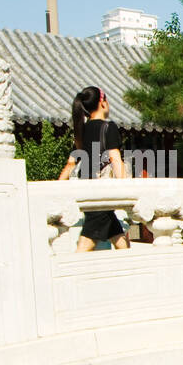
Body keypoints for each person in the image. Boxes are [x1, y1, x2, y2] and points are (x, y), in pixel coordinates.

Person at [57, 86, 129, 251]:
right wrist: (125, 186)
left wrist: (57, 187)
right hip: (101, 189)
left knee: (117, 235)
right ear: (103, 103)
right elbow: (115, 159)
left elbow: (71, 163)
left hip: (86, 187)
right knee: (85, 243)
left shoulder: (81, 130)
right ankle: (72, 272)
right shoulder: (108, 127)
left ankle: (131, 266)